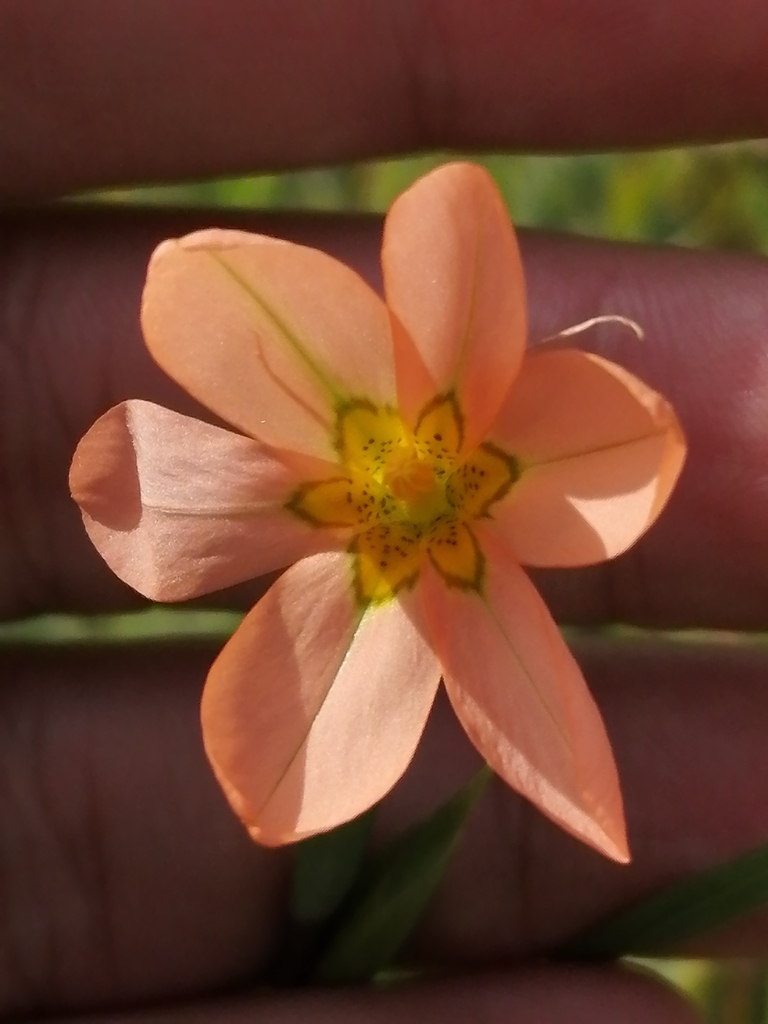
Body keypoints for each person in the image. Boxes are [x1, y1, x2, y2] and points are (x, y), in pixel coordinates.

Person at [2, 3, 767, 1021]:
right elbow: (190, 370)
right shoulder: (395, 520)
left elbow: (631, 443)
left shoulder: (500, 473)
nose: (409, 493)